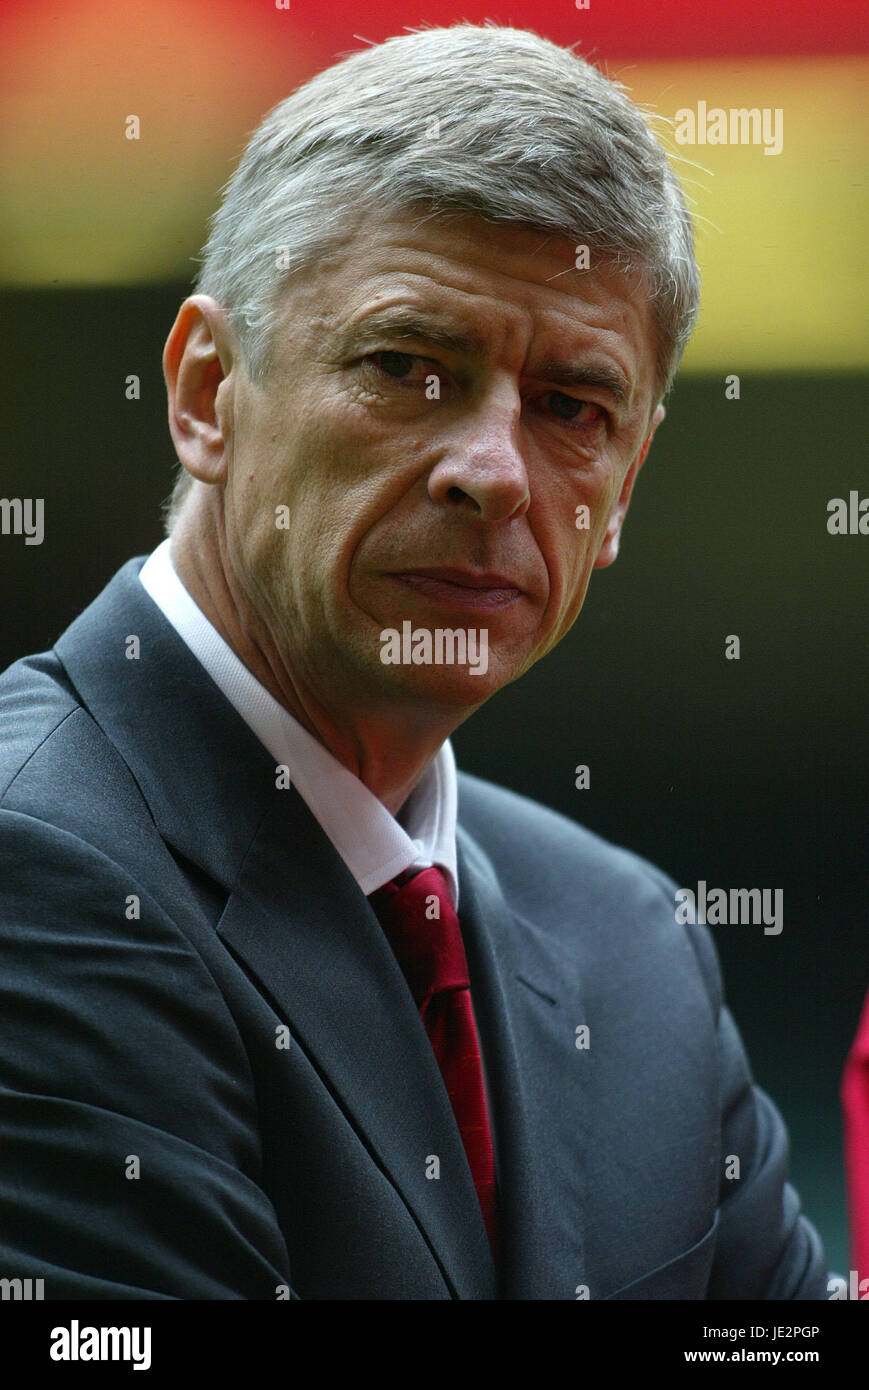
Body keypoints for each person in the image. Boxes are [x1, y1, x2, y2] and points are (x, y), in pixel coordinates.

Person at [0, 23, 829, 1300]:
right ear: (208, 393)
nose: (492, 473)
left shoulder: (633, 944)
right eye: (409, 366)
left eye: (570, 406)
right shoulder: (37, 867)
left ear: (623, 488)